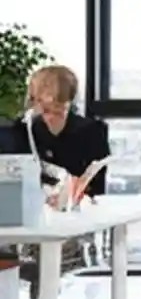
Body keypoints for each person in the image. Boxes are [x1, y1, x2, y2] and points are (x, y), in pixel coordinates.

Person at [11, 65, 110, 199]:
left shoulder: (93, 131)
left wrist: (73, 192)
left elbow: (97, 184)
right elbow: (16, 174)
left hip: (79, 209)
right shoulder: (23, 130)